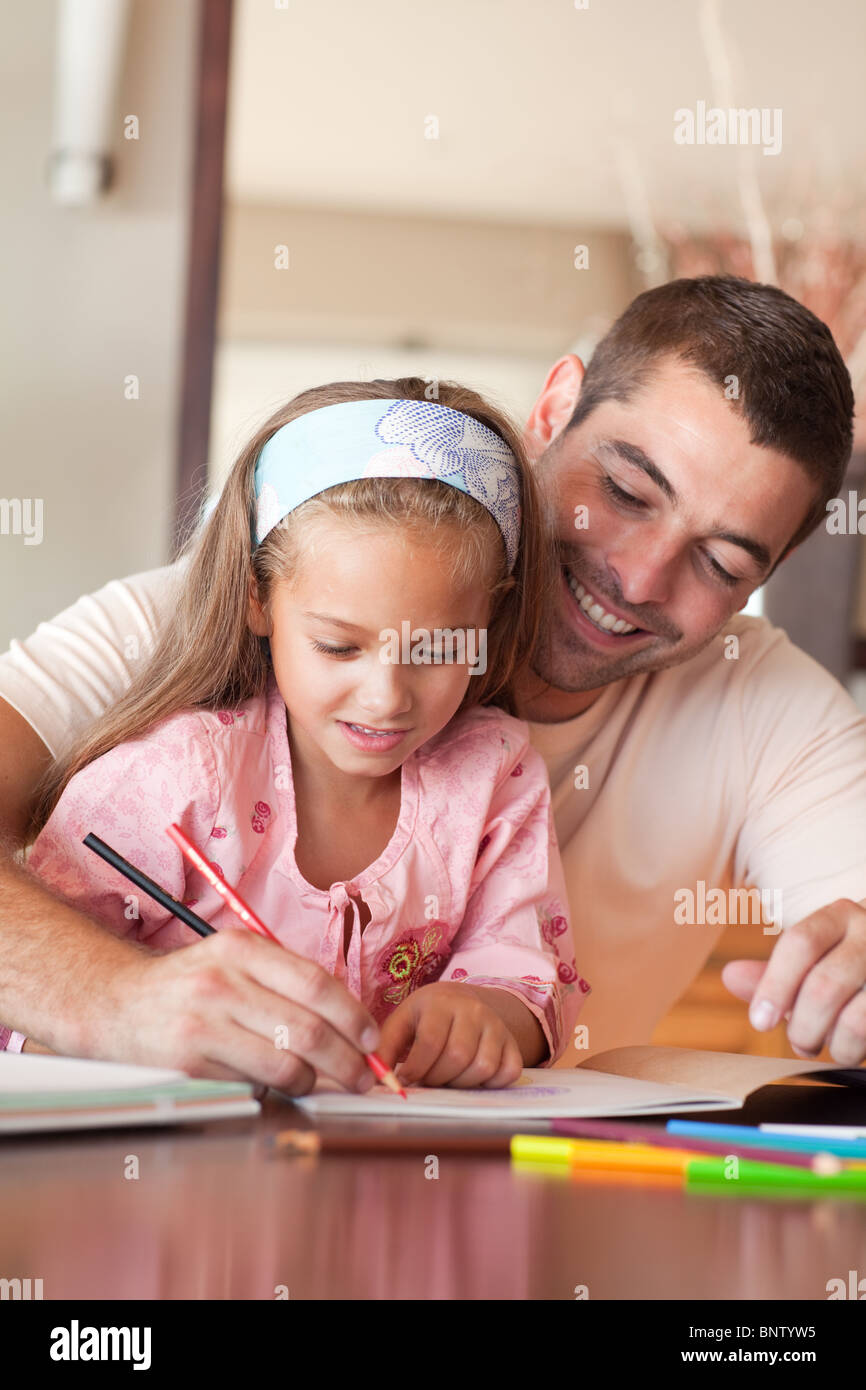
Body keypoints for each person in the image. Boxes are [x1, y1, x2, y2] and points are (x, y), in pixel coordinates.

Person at [1, 275, 864, 1079]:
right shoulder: (194, 628)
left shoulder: (769, 712)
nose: (639, 578)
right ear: (556, 406)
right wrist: (116, 997)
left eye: (719, 562)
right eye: (627, 490)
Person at [0, 379, 589, 1088]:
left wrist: (483, 1011)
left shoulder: (495, 775)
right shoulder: (172, 777)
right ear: (258, 599)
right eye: (340, 647)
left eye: (436, 650)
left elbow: (528, 975)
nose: (386, 696)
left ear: (488, 626)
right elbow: (29, 1020)